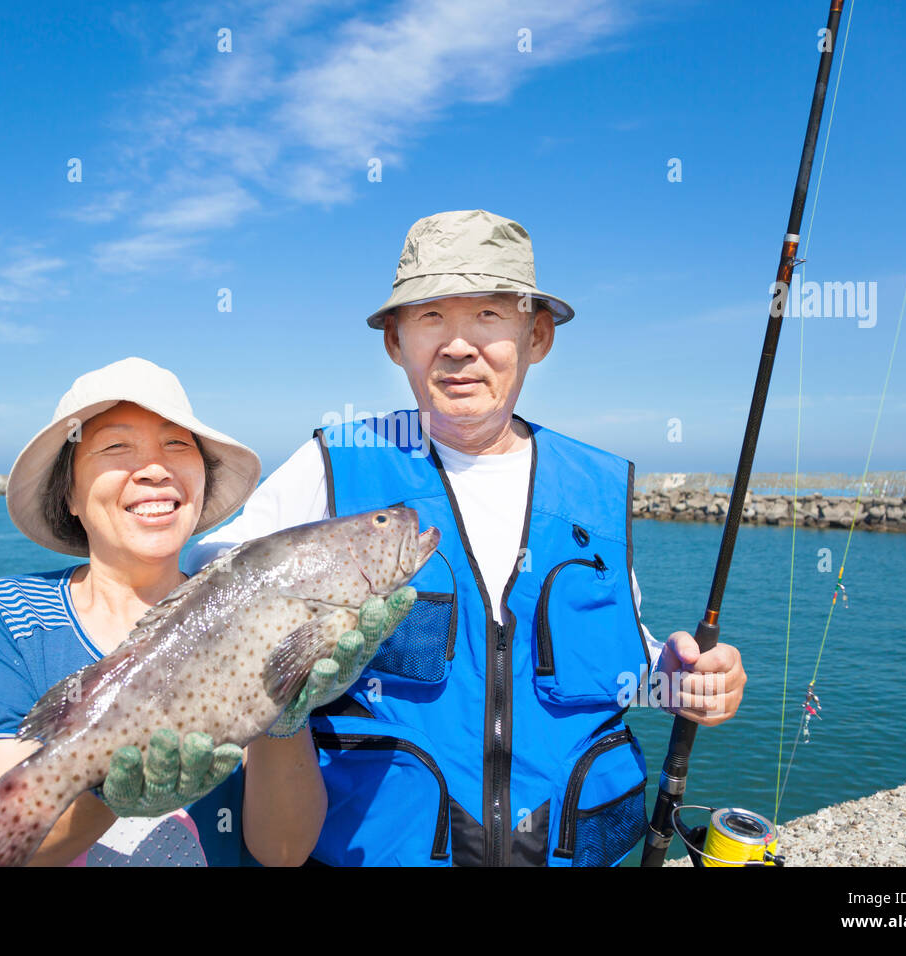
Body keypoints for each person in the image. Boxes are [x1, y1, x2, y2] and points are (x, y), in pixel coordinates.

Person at [175, 209, 747, 866]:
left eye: (488, 317)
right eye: (430, 318)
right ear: (396, 342)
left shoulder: (596, 484)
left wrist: (673, 680)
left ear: (536, 337)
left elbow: (616, 649)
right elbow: (213, 579)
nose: (457, 345)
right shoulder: (340, 461)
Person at [0, 357, 399, 865]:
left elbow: (283, 852)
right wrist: (107, 799)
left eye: (177, 445)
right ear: (68, 492)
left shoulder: (258, 610)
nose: (155, 469)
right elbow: (5, 851)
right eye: (116, 447)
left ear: (202, 479)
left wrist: (284, 723)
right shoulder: (4, 617)